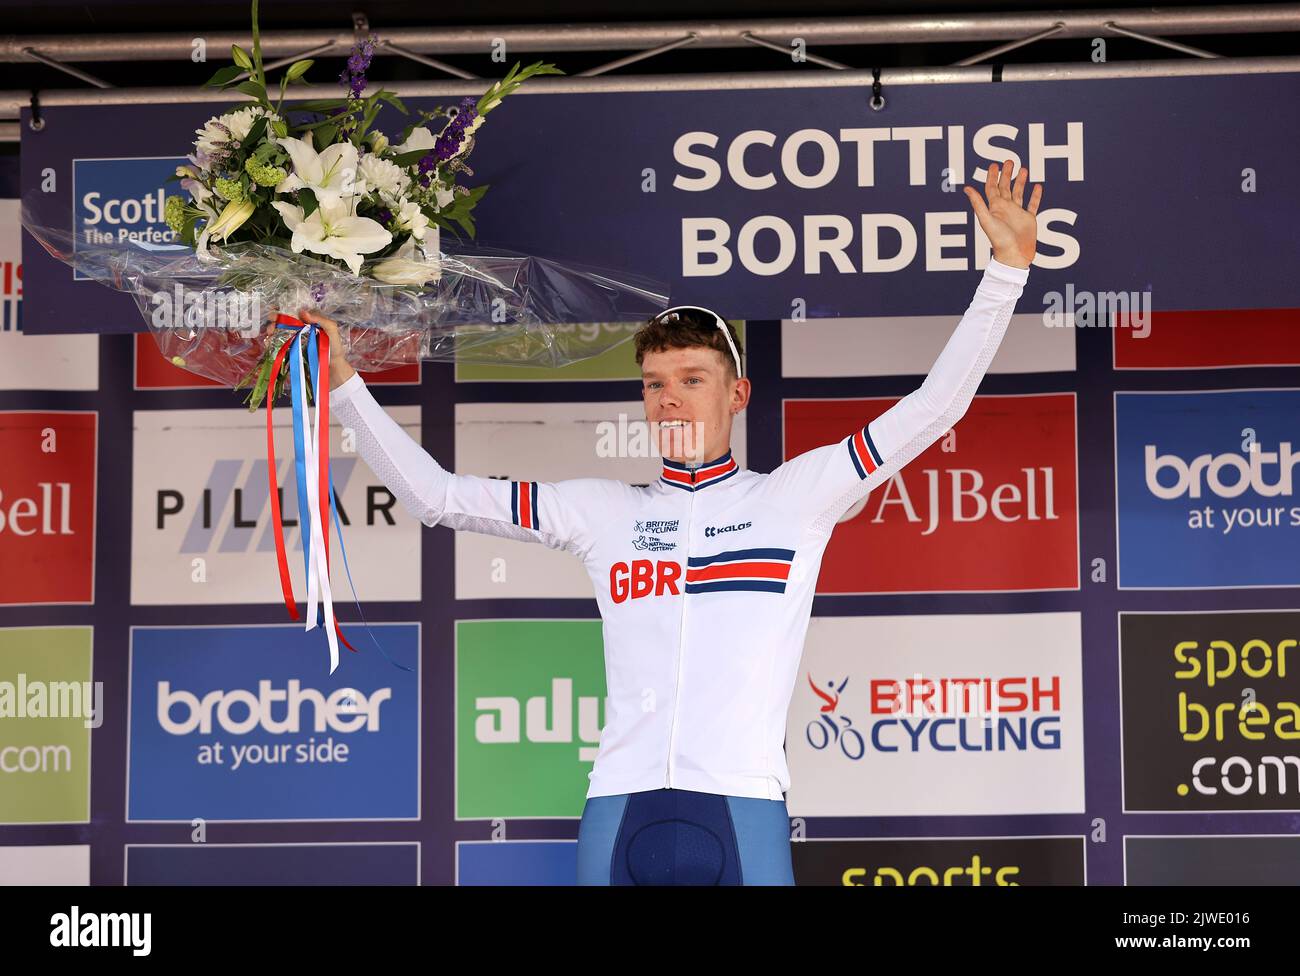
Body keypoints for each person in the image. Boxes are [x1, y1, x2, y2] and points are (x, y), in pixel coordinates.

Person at [302, 161, 1042, 885]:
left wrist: (1007, 272)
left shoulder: (793, 498)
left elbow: (934, 408)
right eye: (655, 384)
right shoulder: (603, 511)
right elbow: (435, 496)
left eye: (693, 380)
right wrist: (342, 383)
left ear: (739, 393)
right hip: (619, 809)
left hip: (742, 809)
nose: (670, 400)